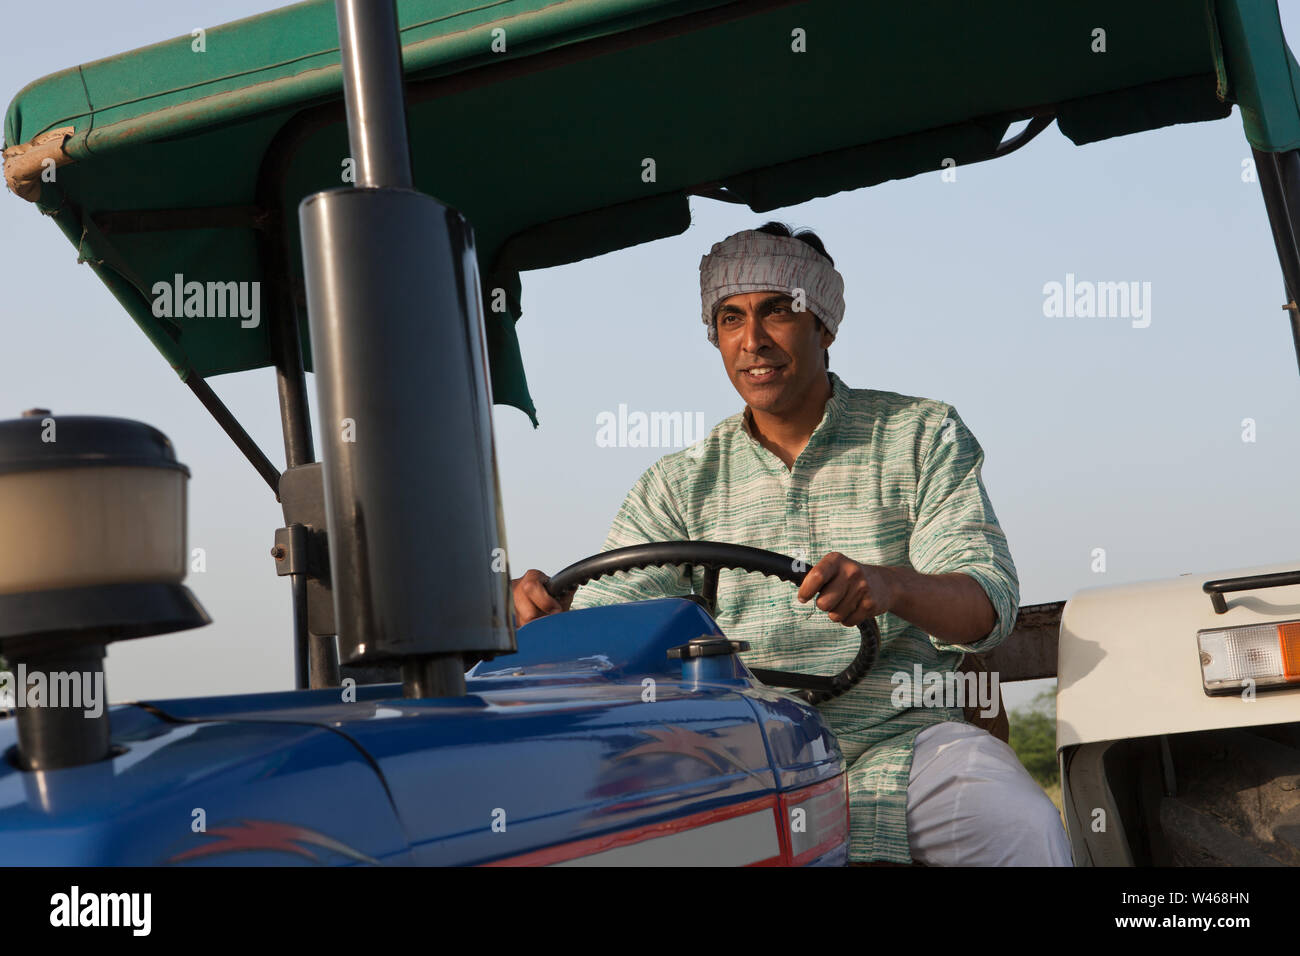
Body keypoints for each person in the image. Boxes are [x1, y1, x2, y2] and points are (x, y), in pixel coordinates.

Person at [511, 222, 1071, 866]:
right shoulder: (677, 484)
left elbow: (986, 605)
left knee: (1018, 823)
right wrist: (550, 616)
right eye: (730, 318)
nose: (753, 340)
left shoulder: (921, 434)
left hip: (905, 747)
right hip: (737, 763)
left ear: (824, 326)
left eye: (778, 311)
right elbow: (613, 619)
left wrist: (888, 584)